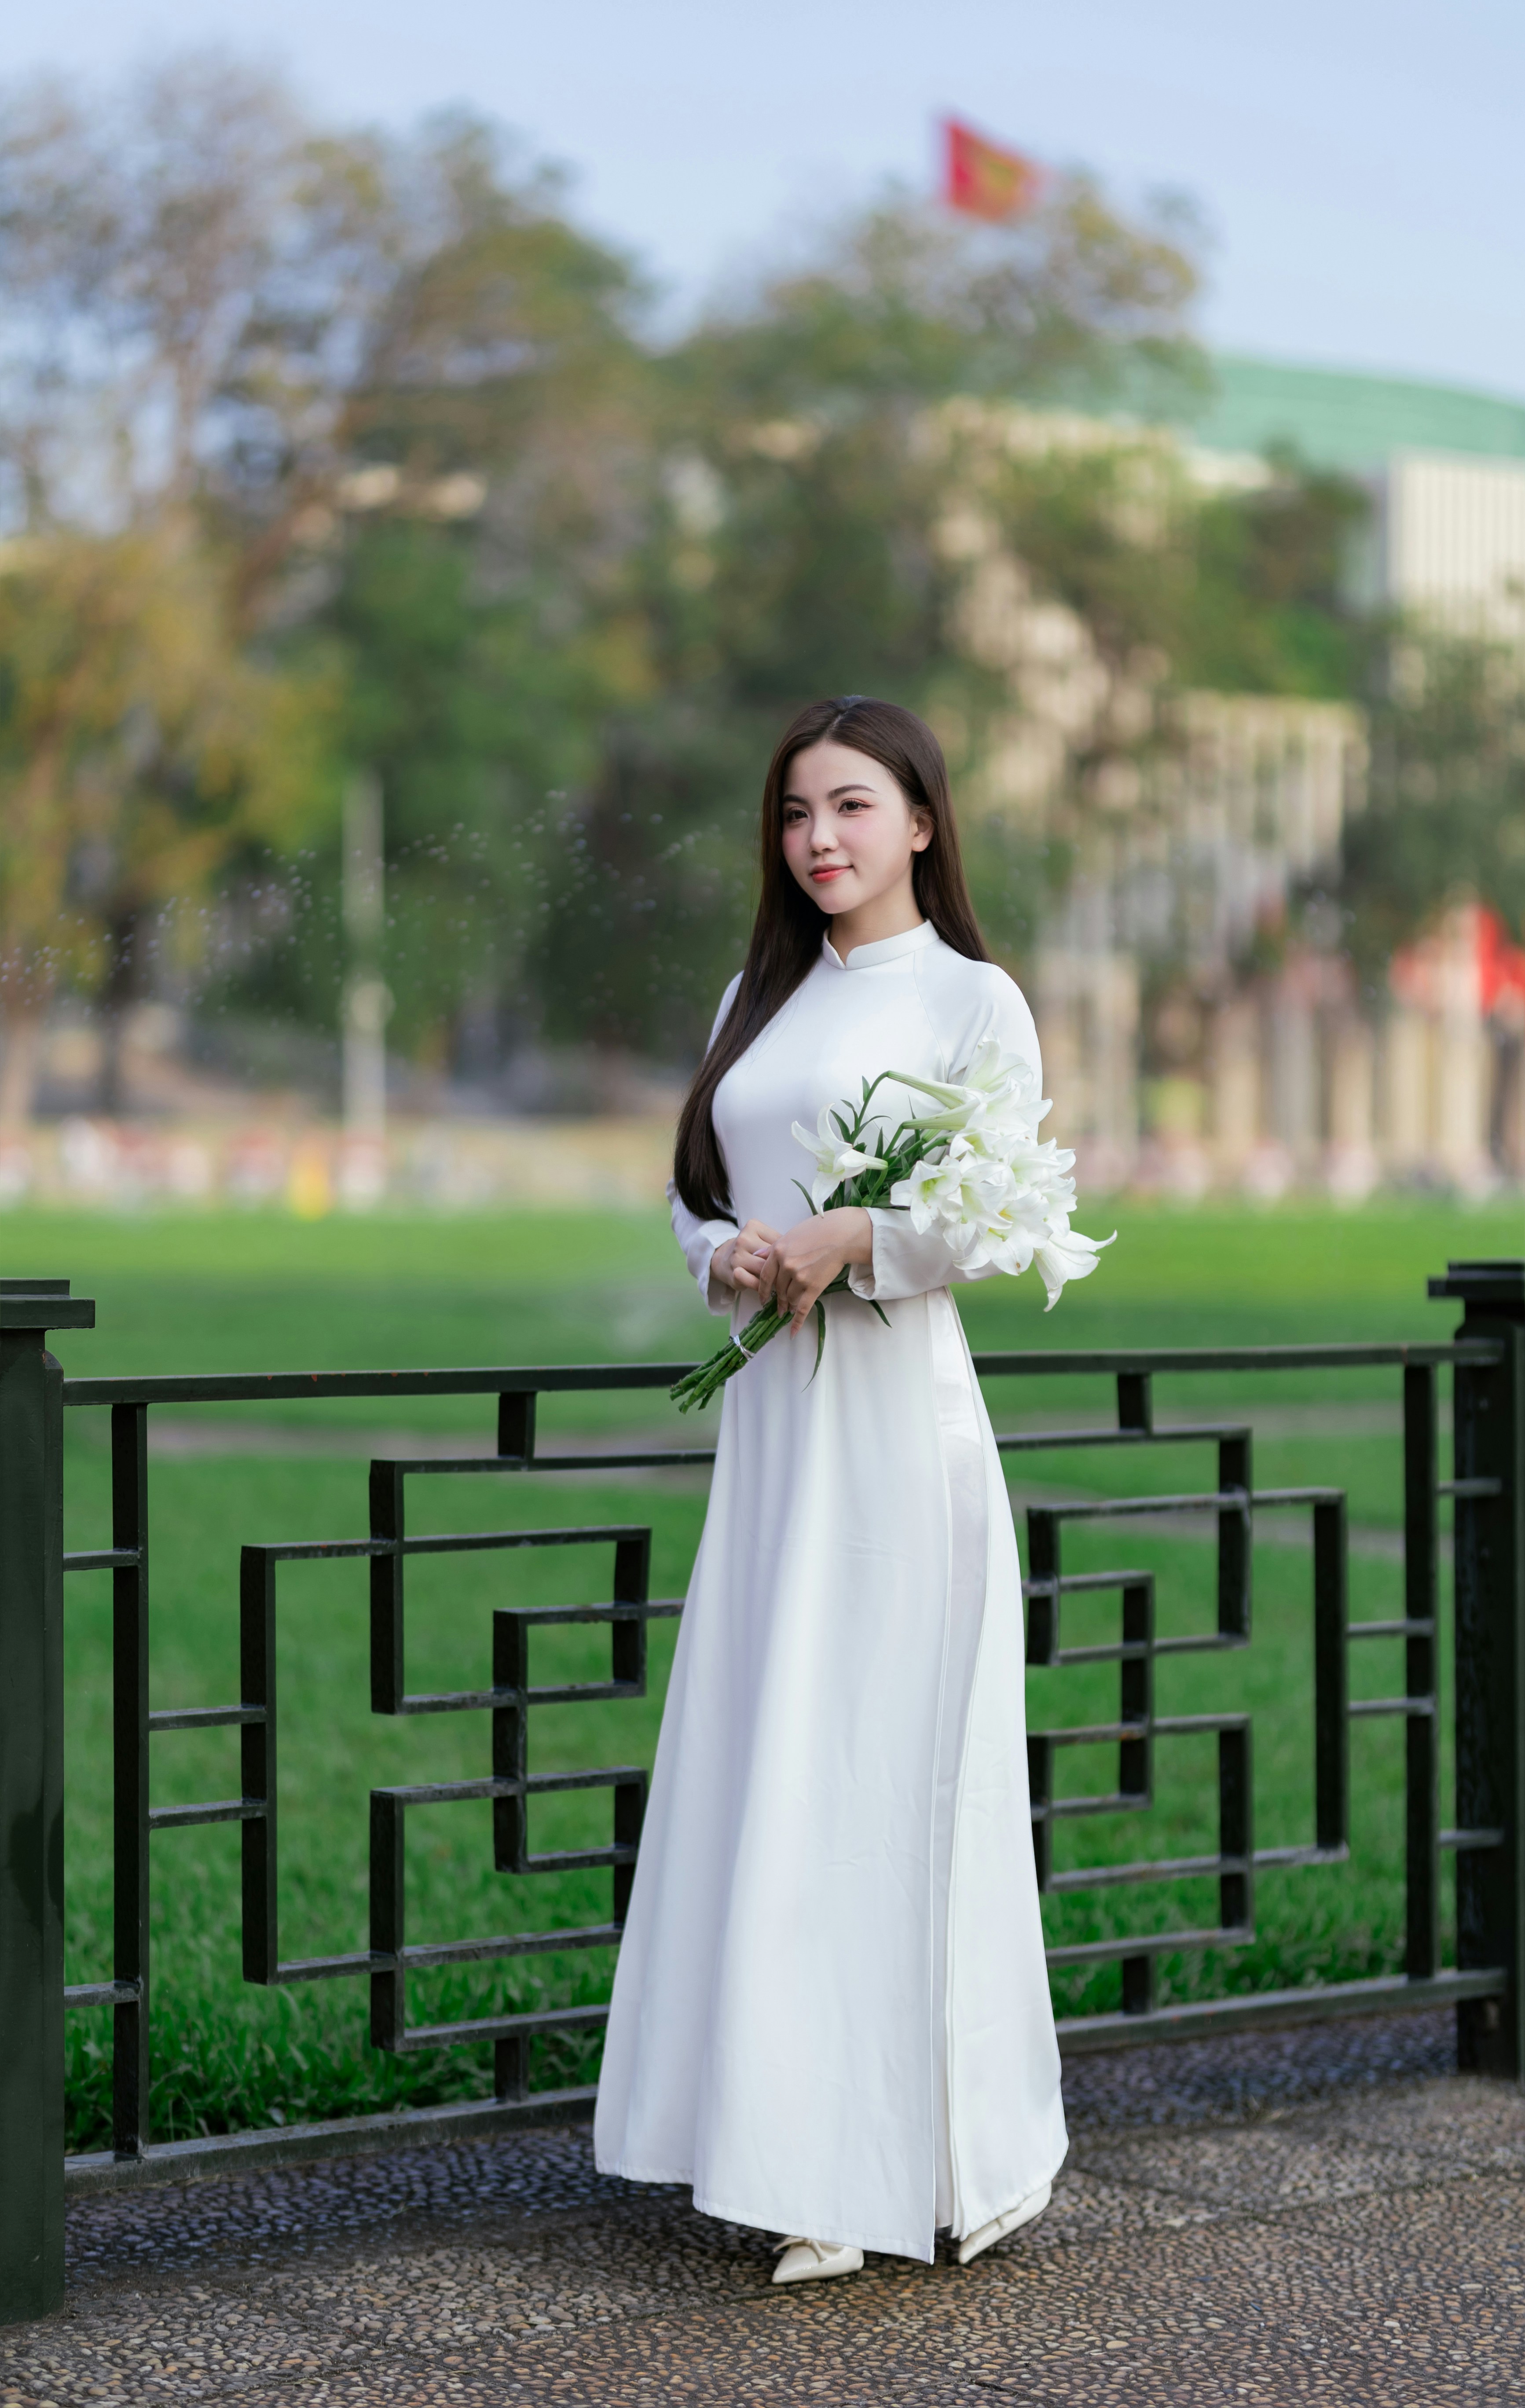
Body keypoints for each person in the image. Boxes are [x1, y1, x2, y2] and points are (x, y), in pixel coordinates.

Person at [593, 695, 1066, 2280]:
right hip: (773, 1440)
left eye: (852, 806)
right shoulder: (755, 993)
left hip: (892, 1438)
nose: (819, 839)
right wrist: (725, 1256)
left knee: (882, 1779)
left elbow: (996, 1213)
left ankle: (923, 2159)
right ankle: (788, 2148)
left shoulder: (974, 1000)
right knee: (774, 1769)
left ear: (921, 821)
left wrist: (855, 1237)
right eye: (796, 813)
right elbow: (693, 1188)